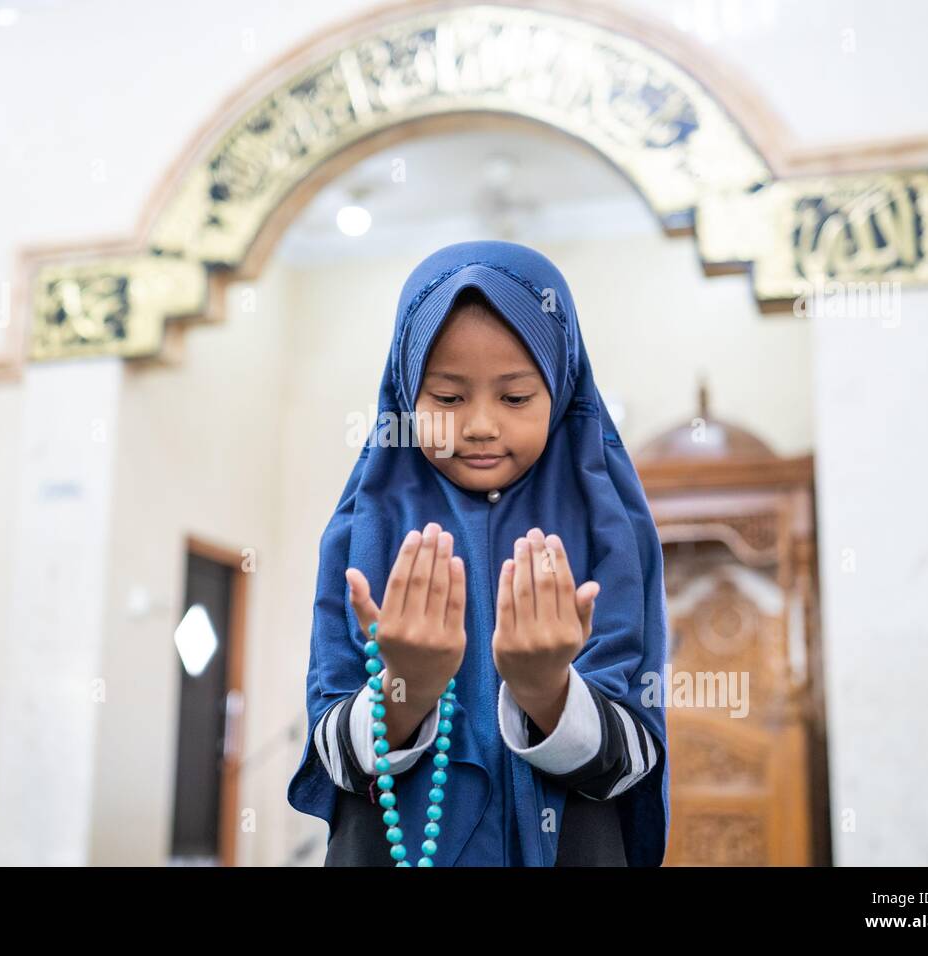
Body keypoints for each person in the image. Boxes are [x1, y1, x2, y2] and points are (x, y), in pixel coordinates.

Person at [286, 240, 669, 866]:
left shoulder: (611, 528)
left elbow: (634, 762)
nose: (482, 425)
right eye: (447, 397)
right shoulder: (362, 529)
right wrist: (403, 688)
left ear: (561, 389)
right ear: (407, 397)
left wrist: (549, 691)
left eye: (515, 398)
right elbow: (333, 757)